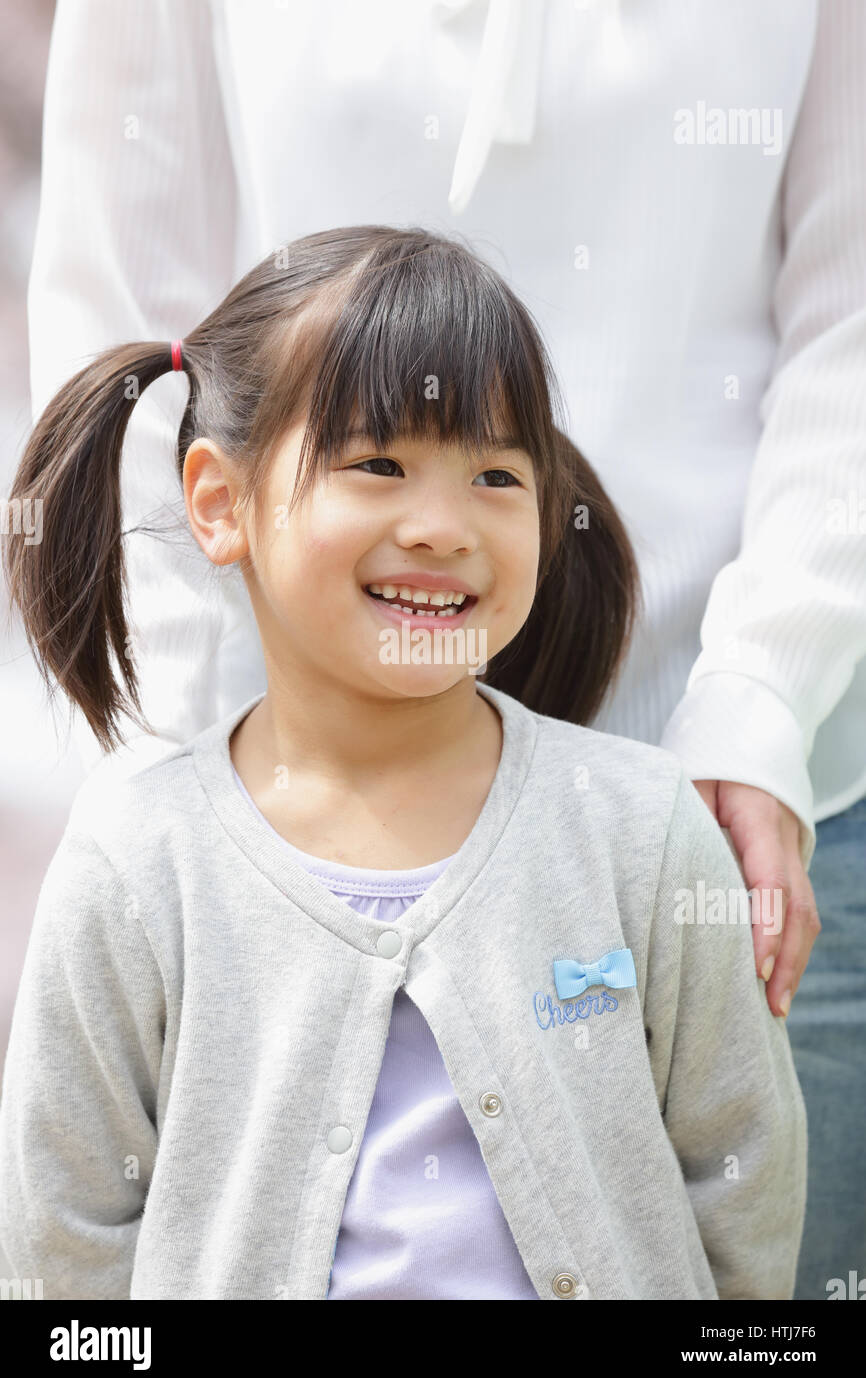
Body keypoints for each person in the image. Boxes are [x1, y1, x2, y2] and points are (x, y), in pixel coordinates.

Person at [24, 0, 866, 1299]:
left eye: (494, 473)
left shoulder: (651, 847)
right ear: (218, 499)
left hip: (746, 800)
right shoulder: (145, 869)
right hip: (251, 805)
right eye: (375, 463)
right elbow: (70, 1244)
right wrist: (182, 797)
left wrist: (758, 698)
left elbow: (737, 1231)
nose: (438, 526)